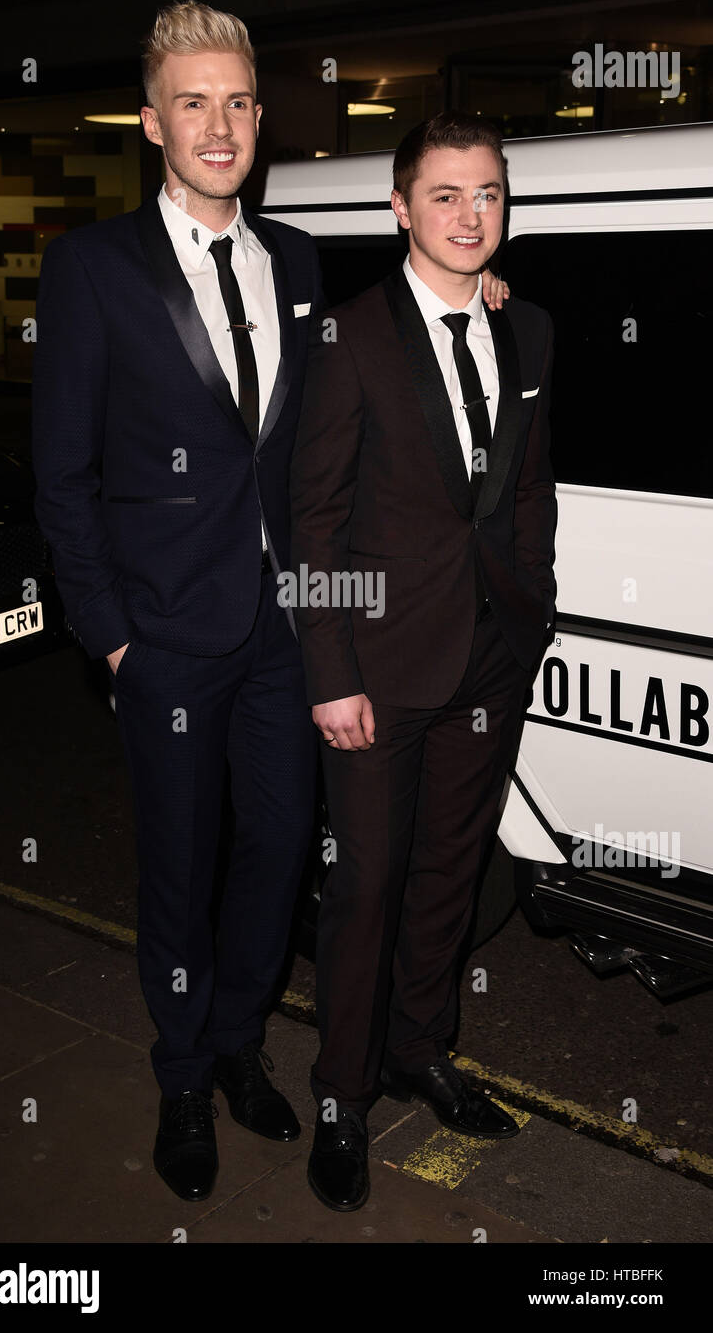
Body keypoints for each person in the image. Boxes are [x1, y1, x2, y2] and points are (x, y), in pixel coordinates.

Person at [32, 3, 509, 1203]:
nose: (220, 124)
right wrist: (114, 637)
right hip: (166, 637)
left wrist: (482, 284)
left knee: (280, 851)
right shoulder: (94, 269)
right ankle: (184, 1072)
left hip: (285, 627)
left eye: (239, 101)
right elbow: (64, 476)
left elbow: (389, 336)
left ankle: (240, 1037)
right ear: (152, 122)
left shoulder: (295, 260)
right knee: (182, 865)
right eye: (193, 102)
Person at [290, 112, 557, 1212]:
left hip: (489, 662)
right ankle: (344, 1096)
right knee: (366, 889)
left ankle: (420, 1049)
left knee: (453, 875)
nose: (468, 215)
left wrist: (533, 614)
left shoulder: (528, 326)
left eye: (487, 193)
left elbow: (523, 491)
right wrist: (329, 673)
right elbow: (312, 521)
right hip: (378, 675)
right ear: (400, 208)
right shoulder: (350, 336)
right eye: (444, 195)